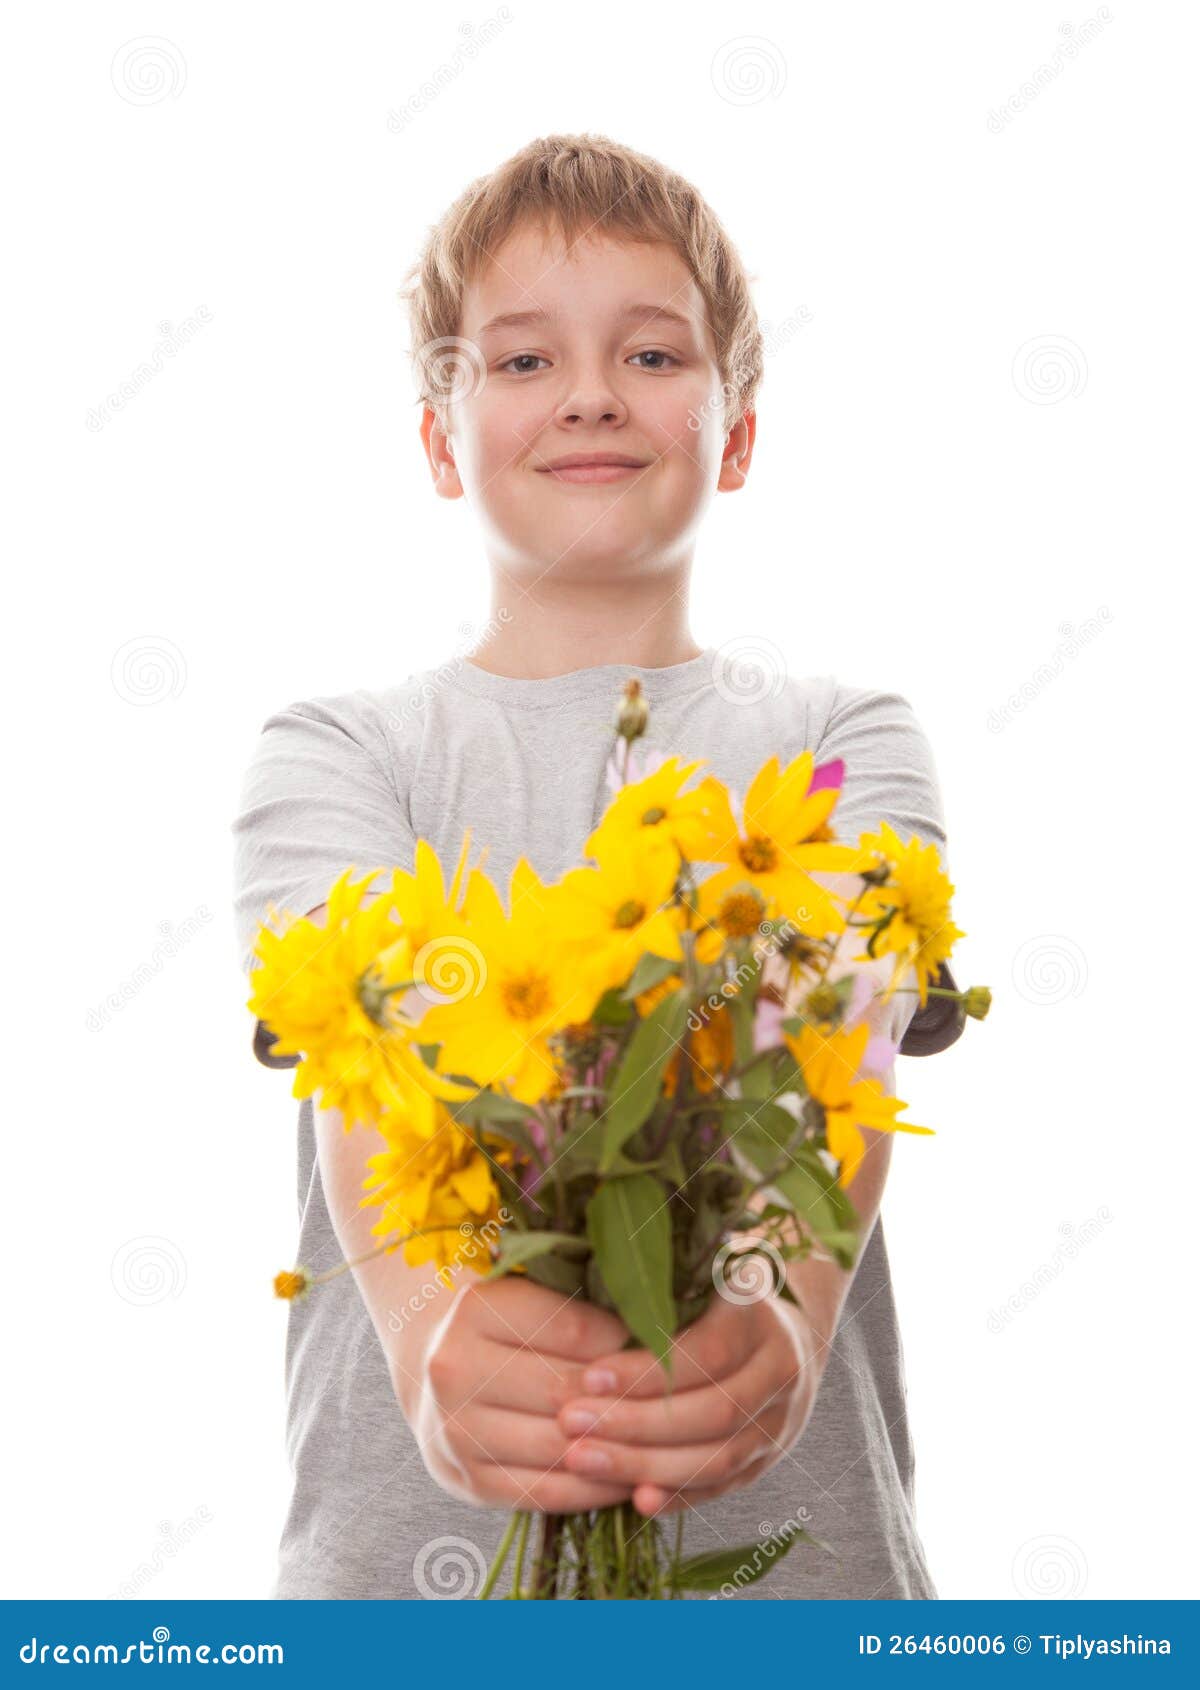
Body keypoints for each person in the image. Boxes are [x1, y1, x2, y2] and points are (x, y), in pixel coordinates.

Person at [231, 132, 963, 1601]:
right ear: (439, 439)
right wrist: (432, 1323)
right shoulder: (336, 752)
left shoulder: (839, 739)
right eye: (518, 362)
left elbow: (832, 1021)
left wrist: (785, 1303)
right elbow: (364, 1060)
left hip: (798, 1592)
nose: (587, 394)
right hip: (405, 1585)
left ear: (738, 431)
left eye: (651, 354)